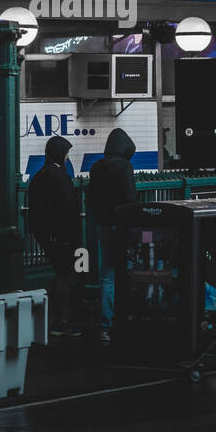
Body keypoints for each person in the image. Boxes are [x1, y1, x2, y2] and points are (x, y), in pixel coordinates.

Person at [26, 136, 82, 338]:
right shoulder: (58, 176)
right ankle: (63, 320)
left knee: (60, 273)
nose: (67, 157)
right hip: (62, 236)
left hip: (47, 235)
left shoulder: (40, 175)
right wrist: (69, 236)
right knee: (68, 274)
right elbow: (68, 207)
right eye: (66, 153)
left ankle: (52, 318)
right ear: (60, 153)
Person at [87, 127, 136, 343]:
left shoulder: (96, 167)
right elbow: (130, 197)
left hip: (103, 225)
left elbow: (91, 199)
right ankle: (126, 319)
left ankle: (106, 325)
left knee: (107, 275)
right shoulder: (125, 166)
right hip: (122, 227)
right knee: (128, 271)